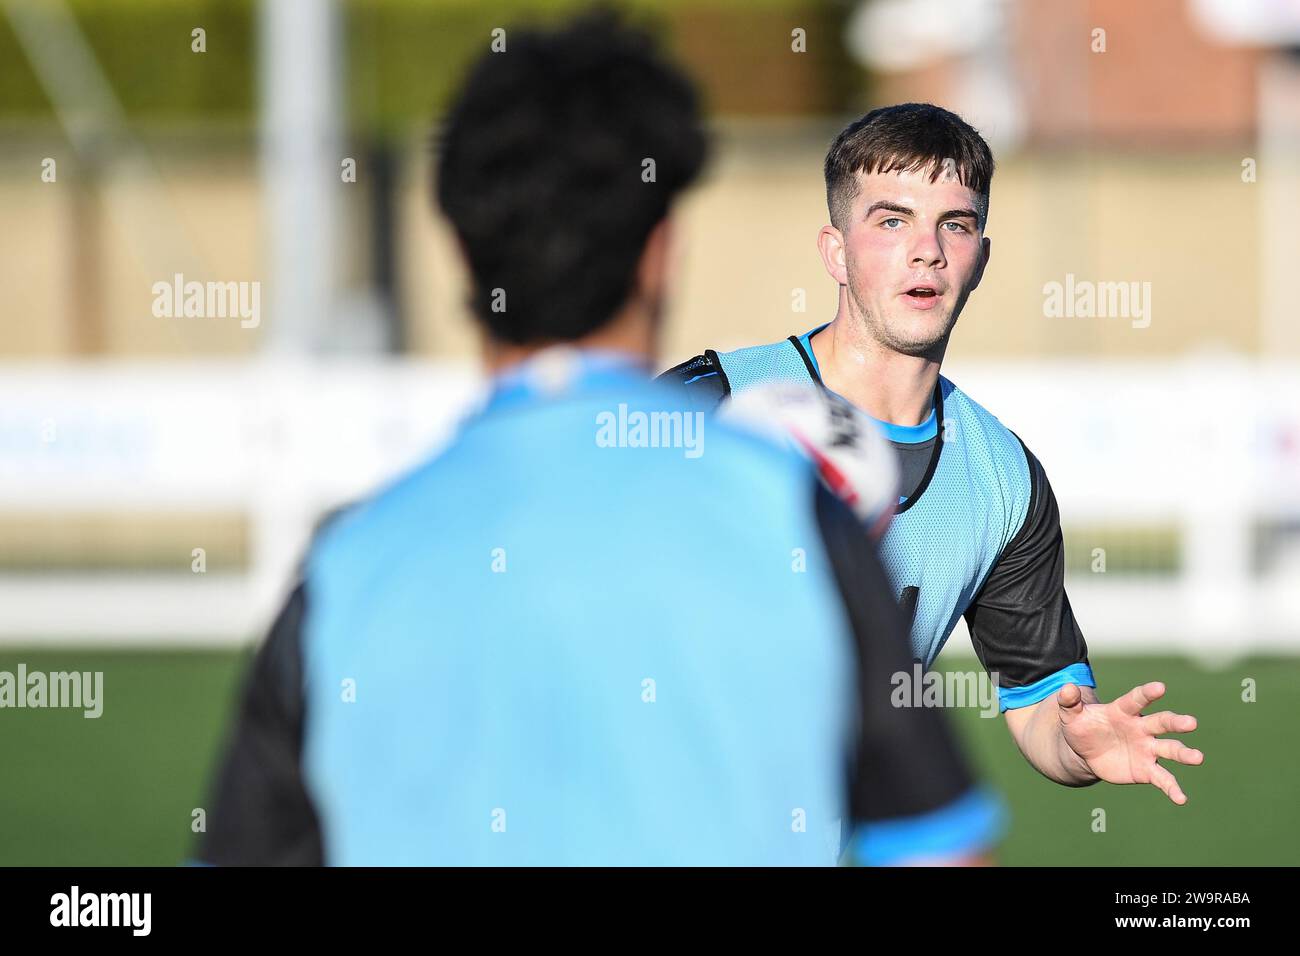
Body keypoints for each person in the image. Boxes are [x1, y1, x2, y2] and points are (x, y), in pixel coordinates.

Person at [199, 16, 999, 866]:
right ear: (661, 254)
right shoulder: (797, 520)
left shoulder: (348, 565)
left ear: (463, 253)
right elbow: (938, 851)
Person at [661, 103, 1203, 805]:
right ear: (835, 251)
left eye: (957, 224)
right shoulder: (709, 406)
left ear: (981, 258)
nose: (928, 250)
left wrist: (1076, 745)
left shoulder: (1005, 481)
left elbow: (1040, 699)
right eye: (892, 220)